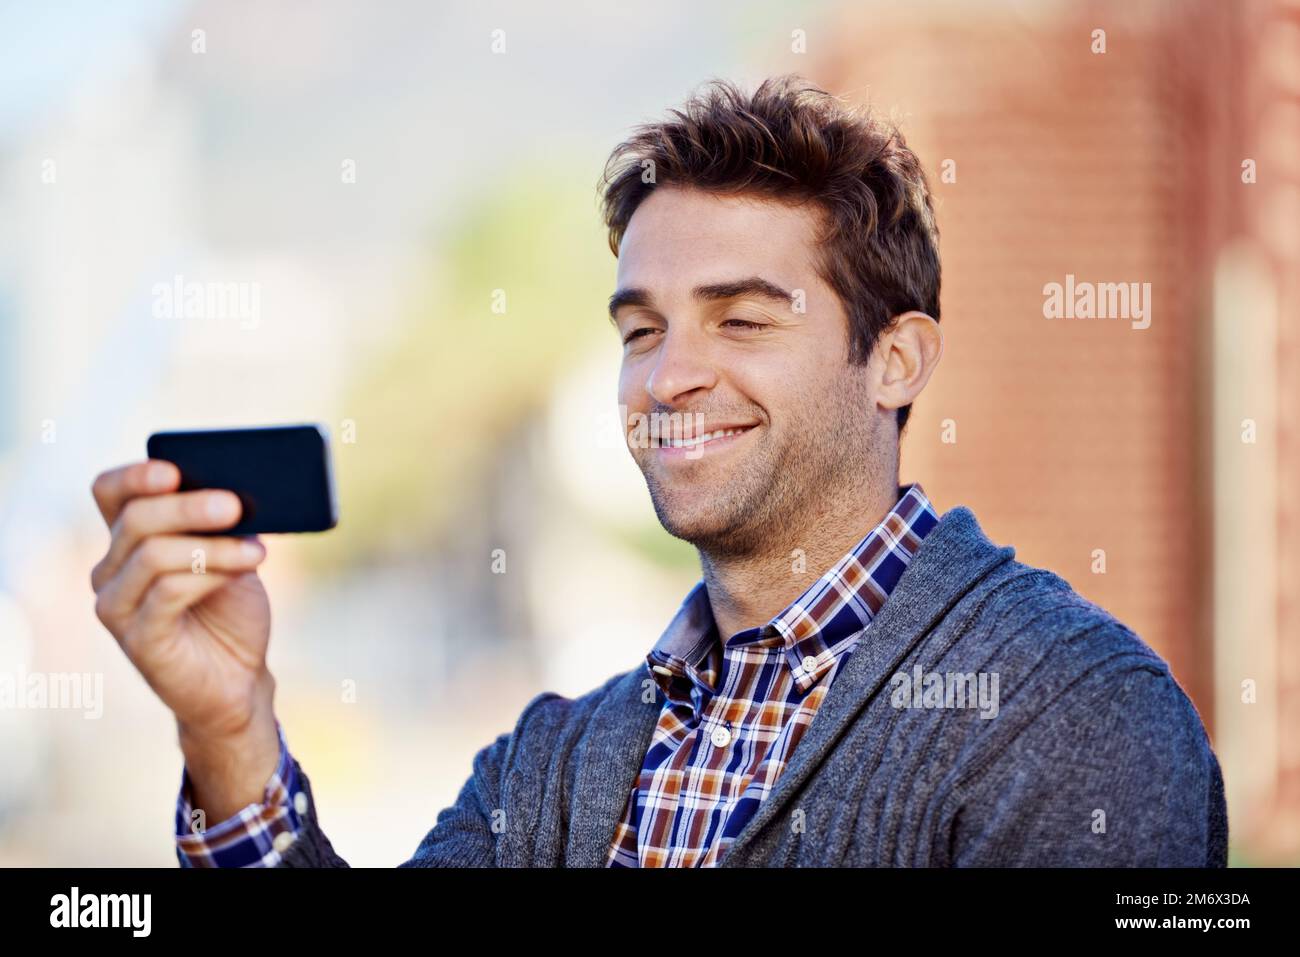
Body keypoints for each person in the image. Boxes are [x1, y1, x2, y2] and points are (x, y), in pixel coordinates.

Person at [90, 75, 1227, 867]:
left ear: (894, 359)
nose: (667, 377)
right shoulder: (554, 763)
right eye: (642, 329)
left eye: (740, 321)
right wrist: (230, 730)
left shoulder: (1073, 720)